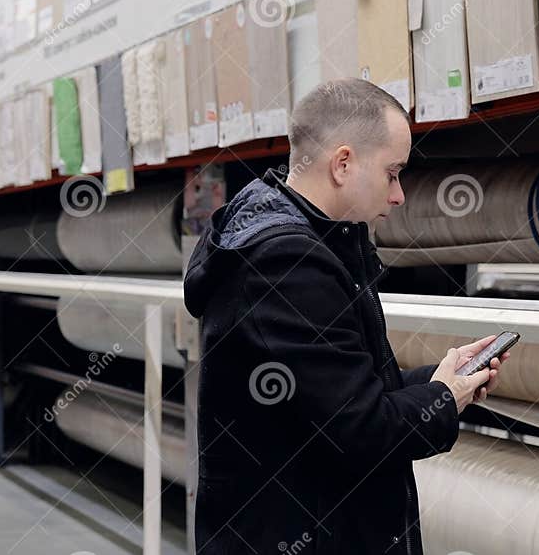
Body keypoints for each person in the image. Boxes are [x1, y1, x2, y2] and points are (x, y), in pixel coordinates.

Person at [183, 78, 510, 554]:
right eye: (392, 173)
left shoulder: (297, 243)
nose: (399, 195)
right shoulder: (289, 264)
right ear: (342, 164)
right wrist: (444, 399)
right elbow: (361, 430)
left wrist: (439, 380)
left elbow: (337, 391)